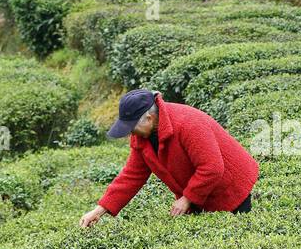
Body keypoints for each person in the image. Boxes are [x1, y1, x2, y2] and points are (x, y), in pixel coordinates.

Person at [79, 88, 258, 229]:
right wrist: (99, 210)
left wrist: (187, 198)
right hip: (199, 189)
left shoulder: (188, 123)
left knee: (235, 238)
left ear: (149, 118)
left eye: (131, 128)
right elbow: (132, 175)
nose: (130, 134)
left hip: (232, 184)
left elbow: (212, 167)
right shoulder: (142, 137)